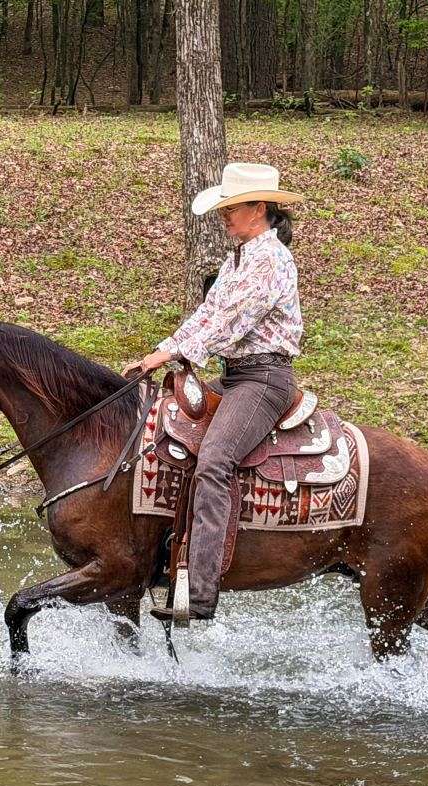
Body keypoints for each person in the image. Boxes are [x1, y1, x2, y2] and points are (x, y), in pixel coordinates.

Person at [122, 162, 304, 621]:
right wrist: (162, 351)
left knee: (216, 460)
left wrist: (176, 354)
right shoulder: (239, 257)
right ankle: (161, 557)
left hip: (264, 380)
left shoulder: (271, 259)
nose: (224, 217)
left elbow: (232, 321)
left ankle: (200, 591)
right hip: (237, 374)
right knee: (167, 432)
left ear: (258, 209)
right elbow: (207, 315)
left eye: (232, 209)